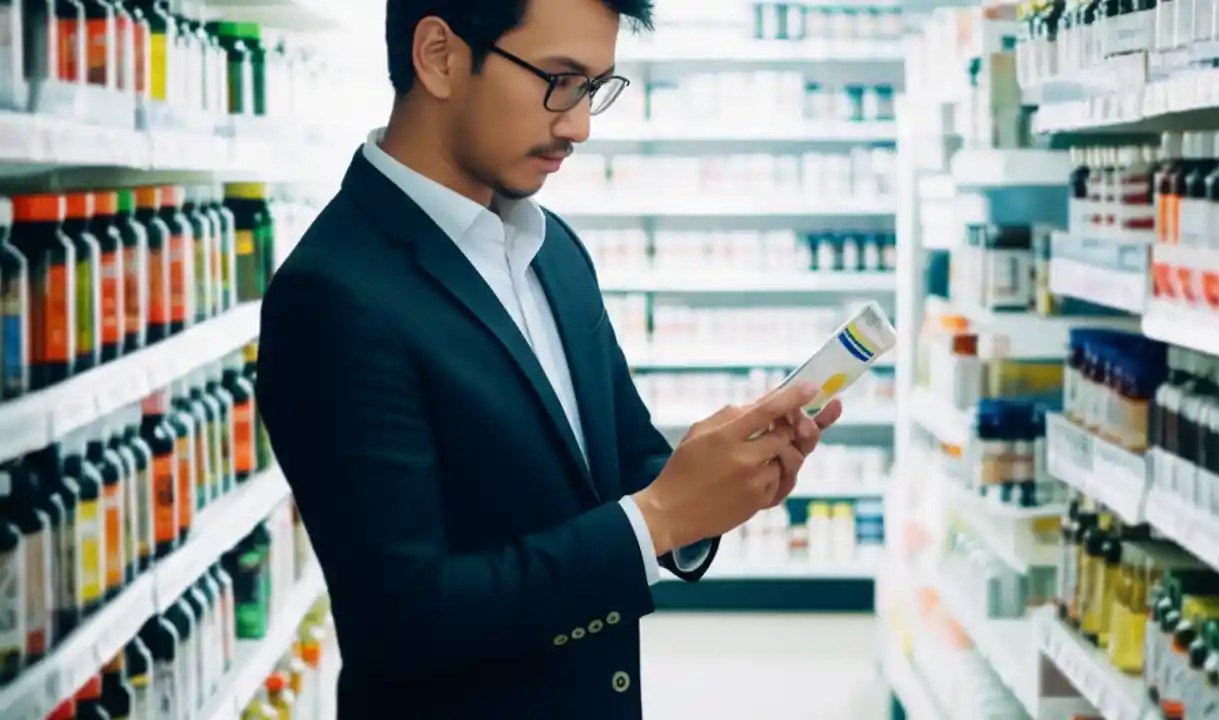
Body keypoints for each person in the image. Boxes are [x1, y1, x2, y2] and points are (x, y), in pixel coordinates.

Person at [254, 0, 845, 717]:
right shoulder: (333, 293)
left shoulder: (551, 248)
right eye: (560, 82)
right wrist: (656, 519)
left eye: (595, 88)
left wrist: (721, 481)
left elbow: (622, 467)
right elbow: (402, 619)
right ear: (439, 56)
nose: (580, 125)